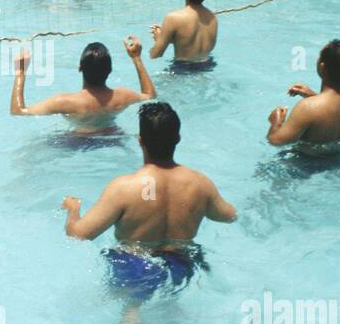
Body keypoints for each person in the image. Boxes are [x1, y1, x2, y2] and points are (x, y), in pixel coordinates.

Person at [61, 102, 237, 307]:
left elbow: (79, 235)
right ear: (177, 139)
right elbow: (229, 216)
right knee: (171, 307)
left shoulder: (124, 187)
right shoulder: (200, 184)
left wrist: (72, 209)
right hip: (181, 261)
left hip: (134, 262)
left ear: (140, 140)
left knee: (131, 310)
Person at [11, 38, 155, 133]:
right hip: (112, 138)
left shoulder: (65, 102)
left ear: (80, 68)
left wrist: (20, 72)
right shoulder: (123, 96)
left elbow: (18, 111)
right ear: (110, 70)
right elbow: (150, 95)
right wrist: (136, 58)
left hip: (77, 142)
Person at [266, 39, 340, 153]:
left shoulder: (308, 107)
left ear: (322, 66)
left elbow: (276, 141)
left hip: (305, 166)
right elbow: (333, 116)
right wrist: (314, 96)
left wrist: (276, 121)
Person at [150, 0, 217, 66]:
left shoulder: (173, 18)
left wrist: (159, 39)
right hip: (208, 67)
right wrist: (169, 38)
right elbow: (194, 47)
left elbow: (155, 54)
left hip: (181, 72)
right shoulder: (213, 19)